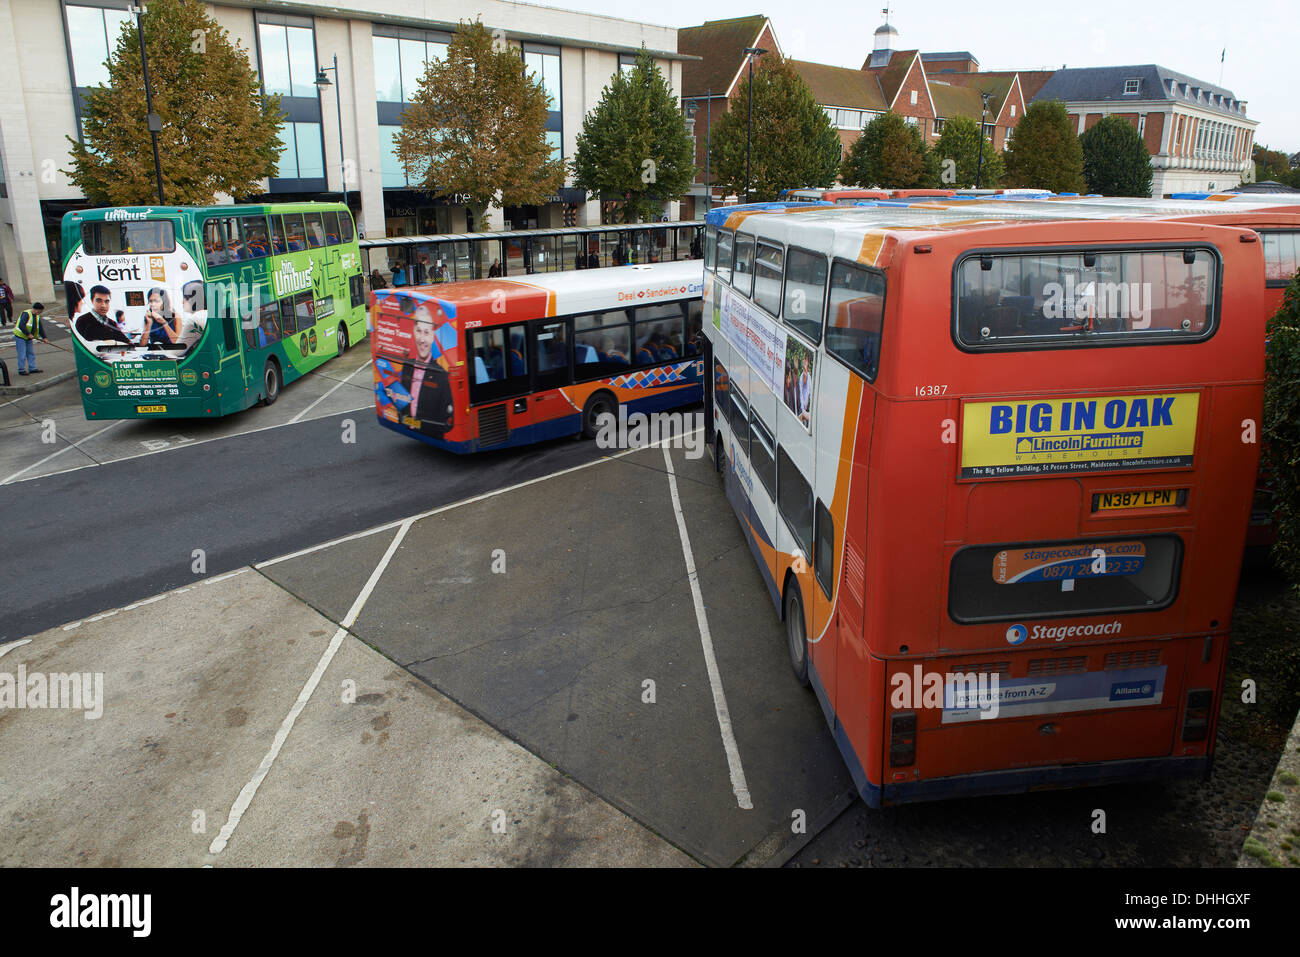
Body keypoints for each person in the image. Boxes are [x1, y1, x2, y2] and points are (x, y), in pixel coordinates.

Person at [394, 304, 453, 439]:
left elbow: (448, 419)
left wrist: (429, 432)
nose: (422, 339)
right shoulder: (407, 367)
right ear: (414, 332)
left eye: (426, 332)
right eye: (419, 331)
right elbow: (404, 405)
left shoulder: (442, 376)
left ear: (432, 336)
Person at [12, 301, 47, 375]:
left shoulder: (37, 316)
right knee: (22, 354)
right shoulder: (26, 314)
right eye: (40, 311)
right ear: (36, 310)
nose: (40, 313)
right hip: (20, 336)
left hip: (28, 338)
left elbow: (40, 328)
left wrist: (44, 337)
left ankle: (32, 368)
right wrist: (28, 334)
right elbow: (21, 325)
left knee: (30, 353)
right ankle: (21, 370)